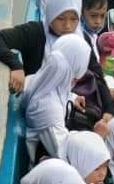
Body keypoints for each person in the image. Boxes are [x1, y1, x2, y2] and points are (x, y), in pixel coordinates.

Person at [0, 0, 83, 96]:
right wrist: (16, 65)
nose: (68, 26)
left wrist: (73, 98)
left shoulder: (78, 40)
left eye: (74, 19)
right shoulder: (35, 32)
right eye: (60, 18)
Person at [21, 33, 91, 162]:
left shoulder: (37, 79)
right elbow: (64, 155)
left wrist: (72, 98)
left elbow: (54, 90)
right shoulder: (49, 112)